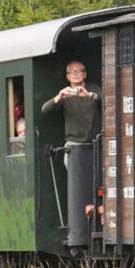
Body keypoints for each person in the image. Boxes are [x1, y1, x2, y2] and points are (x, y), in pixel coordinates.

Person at [42, 61, 101, 224]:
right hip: (74, 146)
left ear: (85, 74)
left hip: (95, 145)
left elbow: (107, 101)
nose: (75, 74)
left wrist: (89, 95)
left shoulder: (93, 89)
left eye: (79, 71)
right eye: (72, 72)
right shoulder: (66, 95)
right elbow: (45, 110)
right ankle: (77, 221)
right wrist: (59, 97)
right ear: (67, 77)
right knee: (77, 185)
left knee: (98, 184)